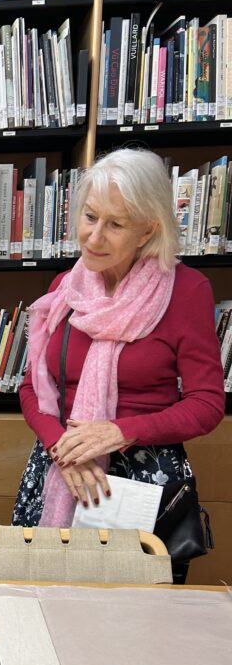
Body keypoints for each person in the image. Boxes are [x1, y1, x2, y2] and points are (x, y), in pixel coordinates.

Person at [12, 147, 225, 583]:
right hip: (61, 470)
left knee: (134, 625)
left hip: (140, 483)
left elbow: (207, 403)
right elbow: (32, 387)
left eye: (115, 224)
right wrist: (62, 448)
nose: (93, 237)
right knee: (45, 608)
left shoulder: (187, 291)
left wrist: (120, 431)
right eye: (90, 217)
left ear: (148, 229)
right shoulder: (65, 288)